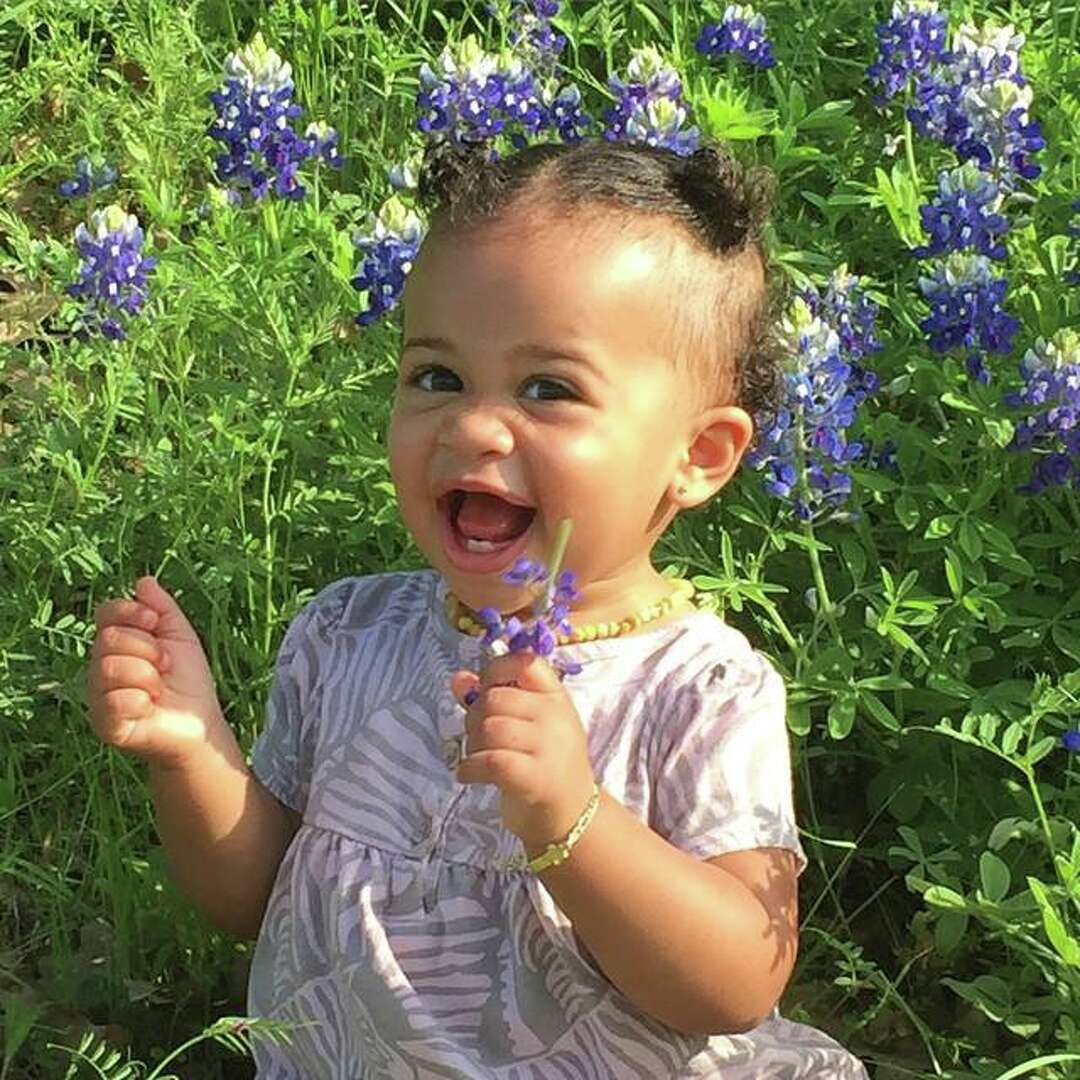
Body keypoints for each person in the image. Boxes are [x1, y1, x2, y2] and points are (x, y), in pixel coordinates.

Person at [86, 137, 869, 1078]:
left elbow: (740, 979)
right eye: (436, 377)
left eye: (549, 389)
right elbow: (258, 900)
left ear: (698, 455)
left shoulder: (701, 687)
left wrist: (573, 820)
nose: (469, 424)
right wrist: (192, 748)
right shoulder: (347, 633)